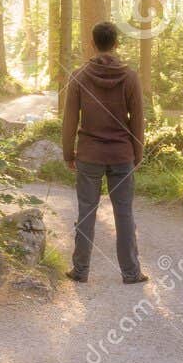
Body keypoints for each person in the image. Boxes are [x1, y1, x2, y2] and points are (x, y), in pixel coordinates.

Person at [60, 21, 147, 284]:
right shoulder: (130, 76)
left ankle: (80, 270)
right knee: (124, 213)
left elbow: (70, 120)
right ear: (116, 43)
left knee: (86, 212)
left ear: (92, 43)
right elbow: (138, 120)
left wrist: (68, 153)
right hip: (121, 155)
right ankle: (131, 273)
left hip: (89, 154)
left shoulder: (79, 76)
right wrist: (137, 154)